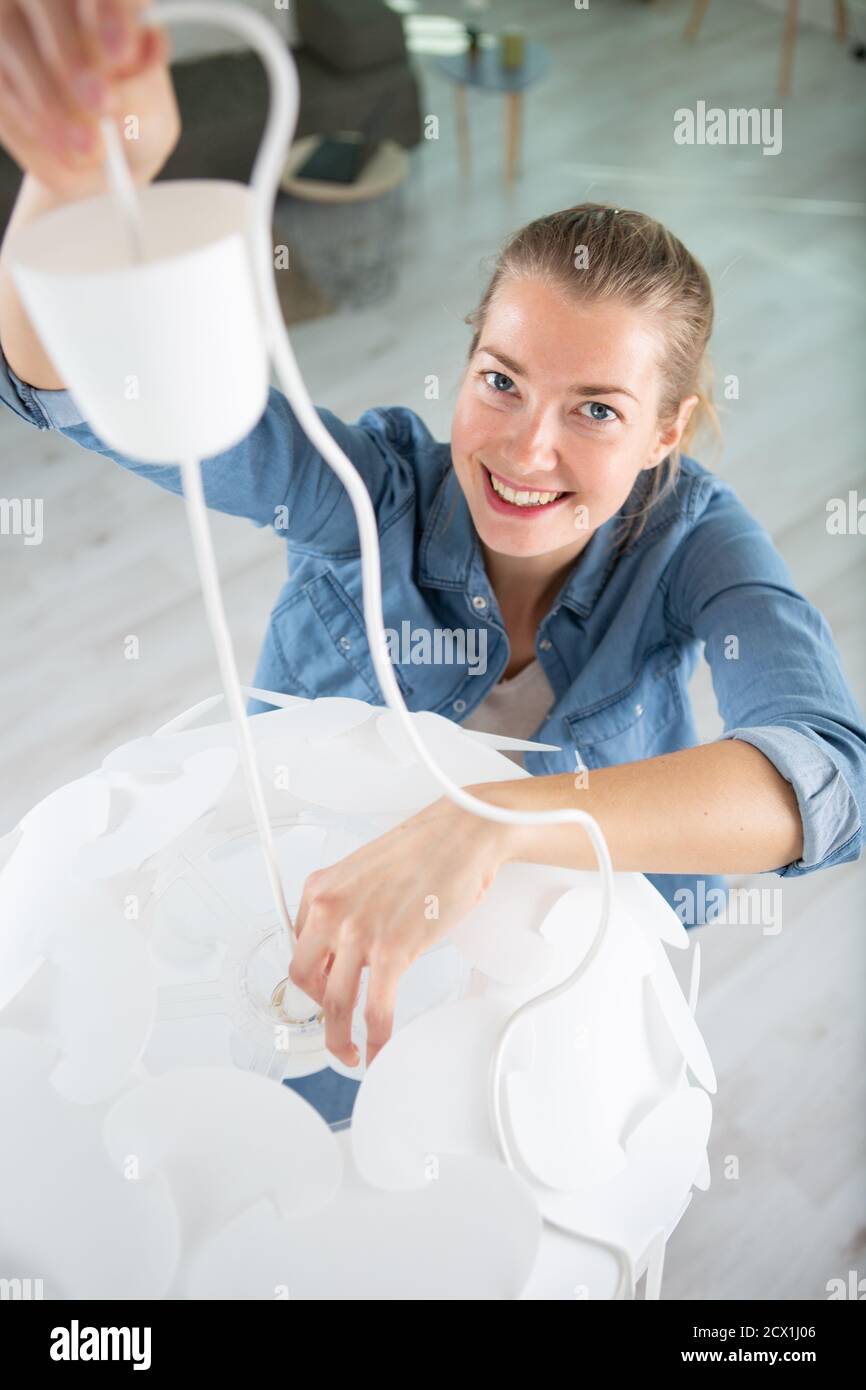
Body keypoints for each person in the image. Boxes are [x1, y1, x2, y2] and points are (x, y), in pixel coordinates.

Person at [1, 3, 863, 1099]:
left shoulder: (692, 541)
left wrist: (488, 824)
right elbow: (83, 390)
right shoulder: (375, 489)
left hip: (538, 995)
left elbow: (826, 776)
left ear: (666, 433)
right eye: (499, 380)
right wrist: (77, 189)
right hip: (303, 933)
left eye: (595, 409)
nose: (525, 450)